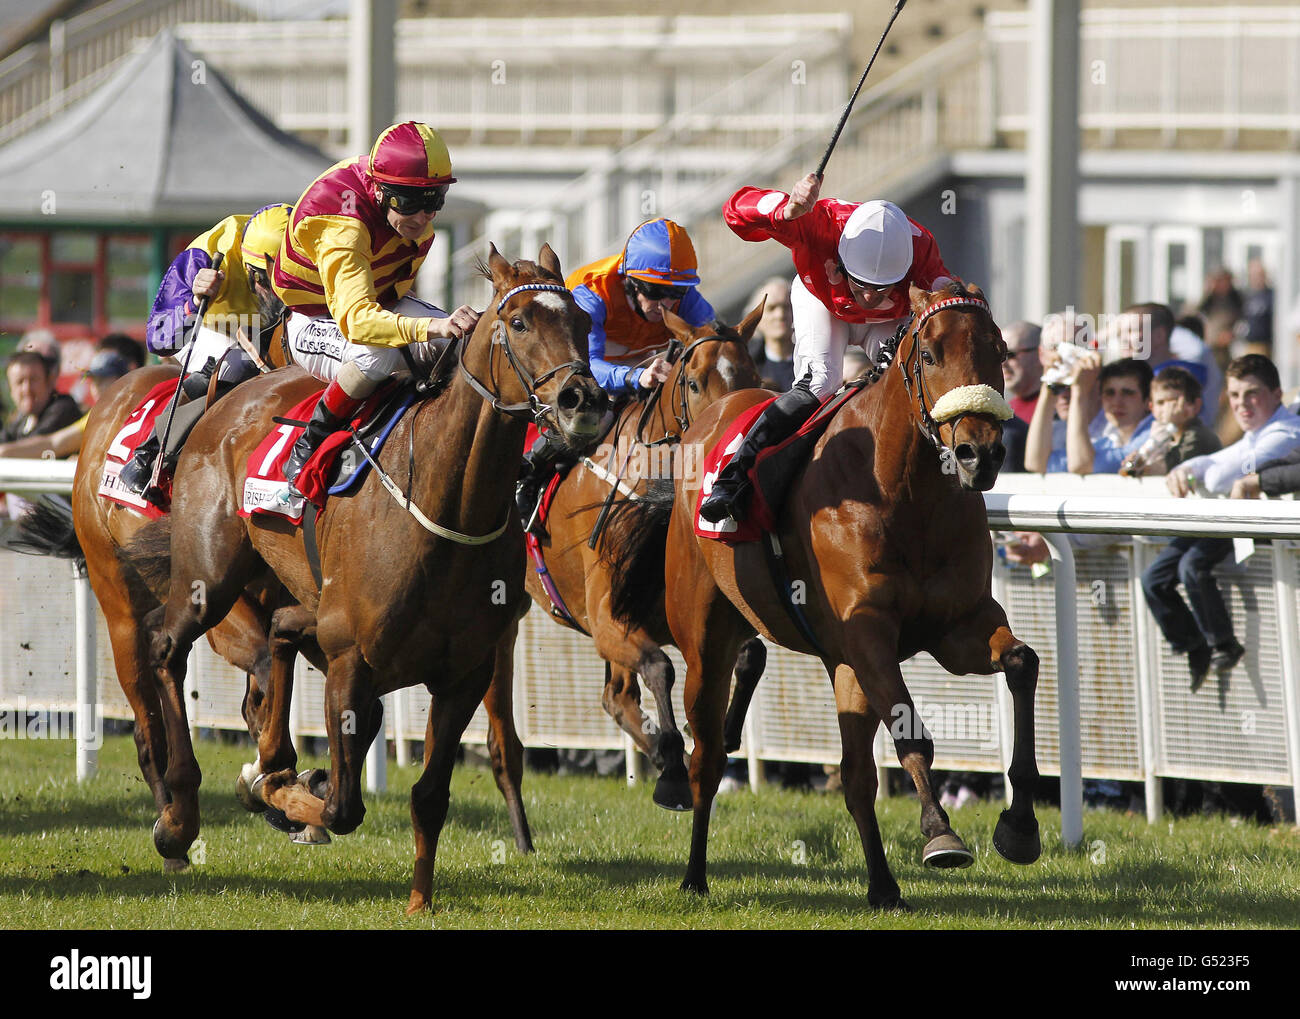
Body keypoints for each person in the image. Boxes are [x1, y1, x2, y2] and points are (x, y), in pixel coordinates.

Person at [700, 172, 955, 522]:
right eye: (861, 282)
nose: (867, 296)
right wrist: (785, 209)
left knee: (905, 378)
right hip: (821, 299)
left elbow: (948, 294)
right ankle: (735, 473)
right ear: (841, 254)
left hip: (883, 322)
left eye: (881, 286)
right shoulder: (819, 224)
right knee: (821, 382)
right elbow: (735, 209)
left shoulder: (922, 249)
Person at [272, 121, 479, 490]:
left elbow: (390, 301)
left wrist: (451, 327)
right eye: (411, 202)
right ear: (379, 190)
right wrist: (433, 326)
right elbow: (357, 323)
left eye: (435, 201)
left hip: (381, 306)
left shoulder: (407, 210)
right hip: (315, 319)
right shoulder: (343, 226)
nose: (423, 216)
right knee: (378, 356)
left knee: (469, 342)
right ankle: (313, 439)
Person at [515, 217, 715, 527]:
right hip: (581, 374)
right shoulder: (593, 293)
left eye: (676, 292)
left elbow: (712, 345)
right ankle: (530, 474)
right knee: (589, 415)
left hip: (644, 366)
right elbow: (587, 366)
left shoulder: (683, 298)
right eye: (655, 291)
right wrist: (636, 377)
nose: (666, 303)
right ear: (631, 281)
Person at [118, 203, 293, 500]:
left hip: (273, 327)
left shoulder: (312, 241)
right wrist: (195, 302)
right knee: (236, 368)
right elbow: (159, 340)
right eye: (268, 282)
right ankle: (150, 454)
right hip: (216, 326)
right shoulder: (204, 256)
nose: (278, 295)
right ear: (249, 269)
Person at [1145, 354, 1300, 688]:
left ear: (1277, 394)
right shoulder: (1255, 434)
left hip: (1258, 534)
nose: (1241, 404)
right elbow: (1213, 462)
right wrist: (1185, 468)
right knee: (1153, 578)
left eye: (1252, 394)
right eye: (1234, 396)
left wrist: (1194, 469)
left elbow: (1218, 476)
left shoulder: (1286, 432)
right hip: (1227, 522)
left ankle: (1222, 643)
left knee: (1190, 567)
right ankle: (1194, 644)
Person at [1119, 366, 1220, 478]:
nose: (1167, 410)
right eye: (1161, 403)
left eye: (1174, 402)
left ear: (1195, 406)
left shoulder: (1199, 435)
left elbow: (1171, 467)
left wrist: (1168, 424)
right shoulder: (1156, 434)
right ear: (1151, 407)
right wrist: (1136, 462)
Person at [1067, 355, 1153, 474]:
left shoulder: (1156, 434)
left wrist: (1079, 393)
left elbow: (1081, 465)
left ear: (1148, 400)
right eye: (1110, 393)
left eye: (1127, 393)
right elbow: (1036, 464)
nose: (1117, 402)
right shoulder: (1108, 441)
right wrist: (1047, 389)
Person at [2, 351, 81, 443]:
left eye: (33, 380)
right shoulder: (21, 420)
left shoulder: (64, 409)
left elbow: (34, 446)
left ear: (49, 382)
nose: (26, 389)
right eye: (19, 382)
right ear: (10, 389)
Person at [746, 276, 796, 392]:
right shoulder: (750, 372)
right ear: (756, 320)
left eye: (786, 307)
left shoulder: (815, 358)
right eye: (771, 308)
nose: (780, 315)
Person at [1001, 321, 1042, 424]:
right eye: (1000, 355)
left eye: (1010, 354)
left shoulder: (1060, 407)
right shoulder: (1004, 413)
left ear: (1040, 354)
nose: (1003, 363)